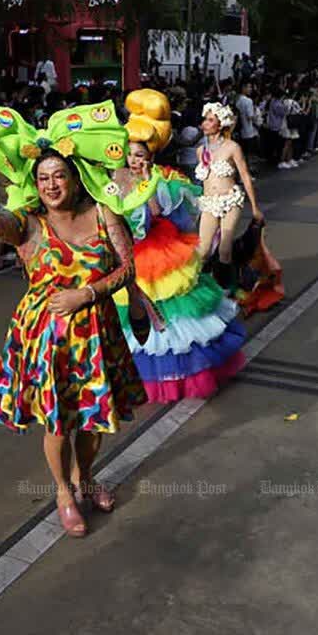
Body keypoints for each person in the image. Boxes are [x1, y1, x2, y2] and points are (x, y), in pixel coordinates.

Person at [0, 101, 149, 538]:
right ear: (34, 185)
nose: (51, 185)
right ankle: (63, 491)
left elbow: (128, 267)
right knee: (59, 422)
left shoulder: (103, 213)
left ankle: (87, 477)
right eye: (43, 179)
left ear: (76, 178)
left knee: (94, 420)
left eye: (59, 175)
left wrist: (87, 293)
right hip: (46, 341)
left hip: (97, 336)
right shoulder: (28, 224)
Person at [113, 89, 246, 401]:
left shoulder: (164, 179)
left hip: (162, 251)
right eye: (131, 154)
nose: (134, 161)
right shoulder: (117, 178)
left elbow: (167, 218)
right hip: (129, 253)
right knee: (130, 314)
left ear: (151, 157)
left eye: (141, 156)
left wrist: (149, 184)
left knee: (173, 317)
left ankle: (179, 375)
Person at [195, 102, 263, 289]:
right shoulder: (200, 151)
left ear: (220, 124)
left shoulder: (233, 147)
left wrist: (255, 208)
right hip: (209, 203)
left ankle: (225, 289)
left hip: (230, 200)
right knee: (202, 251)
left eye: (210, 120)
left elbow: (245, 177)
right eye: (205, 119)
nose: (205, 123)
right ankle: (198, 287)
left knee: (225, 249)